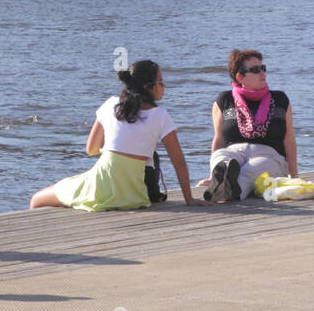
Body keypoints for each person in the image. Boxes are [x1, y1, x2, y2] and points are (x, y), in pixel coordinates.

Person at [30, 60, 204, 210]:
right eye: (161, 82)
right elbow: (178, 161)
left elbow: (91, 149)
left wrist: (115, 146)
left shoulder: (111, 105)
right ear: (147, 87)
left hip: (99, 187)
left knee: (36, 199)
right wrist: (189, 199)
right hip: (134, 196)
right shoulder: (161, 115)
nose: (164, 87)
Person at [204, 50, 297, 203]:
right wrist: (211, 175)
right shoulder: (224, 100)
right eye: (255, 70)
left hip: (269, 156)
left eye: (263, 68)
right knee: (220, 157)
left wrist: (293, 175)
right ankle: (218, 182)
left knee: (249, 171)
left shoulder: (280, 99)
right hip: (235, 153)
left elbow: (289, 139)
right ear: (240, 77)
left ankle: (228, 191)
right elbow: (218, 138)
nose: (262, 73)